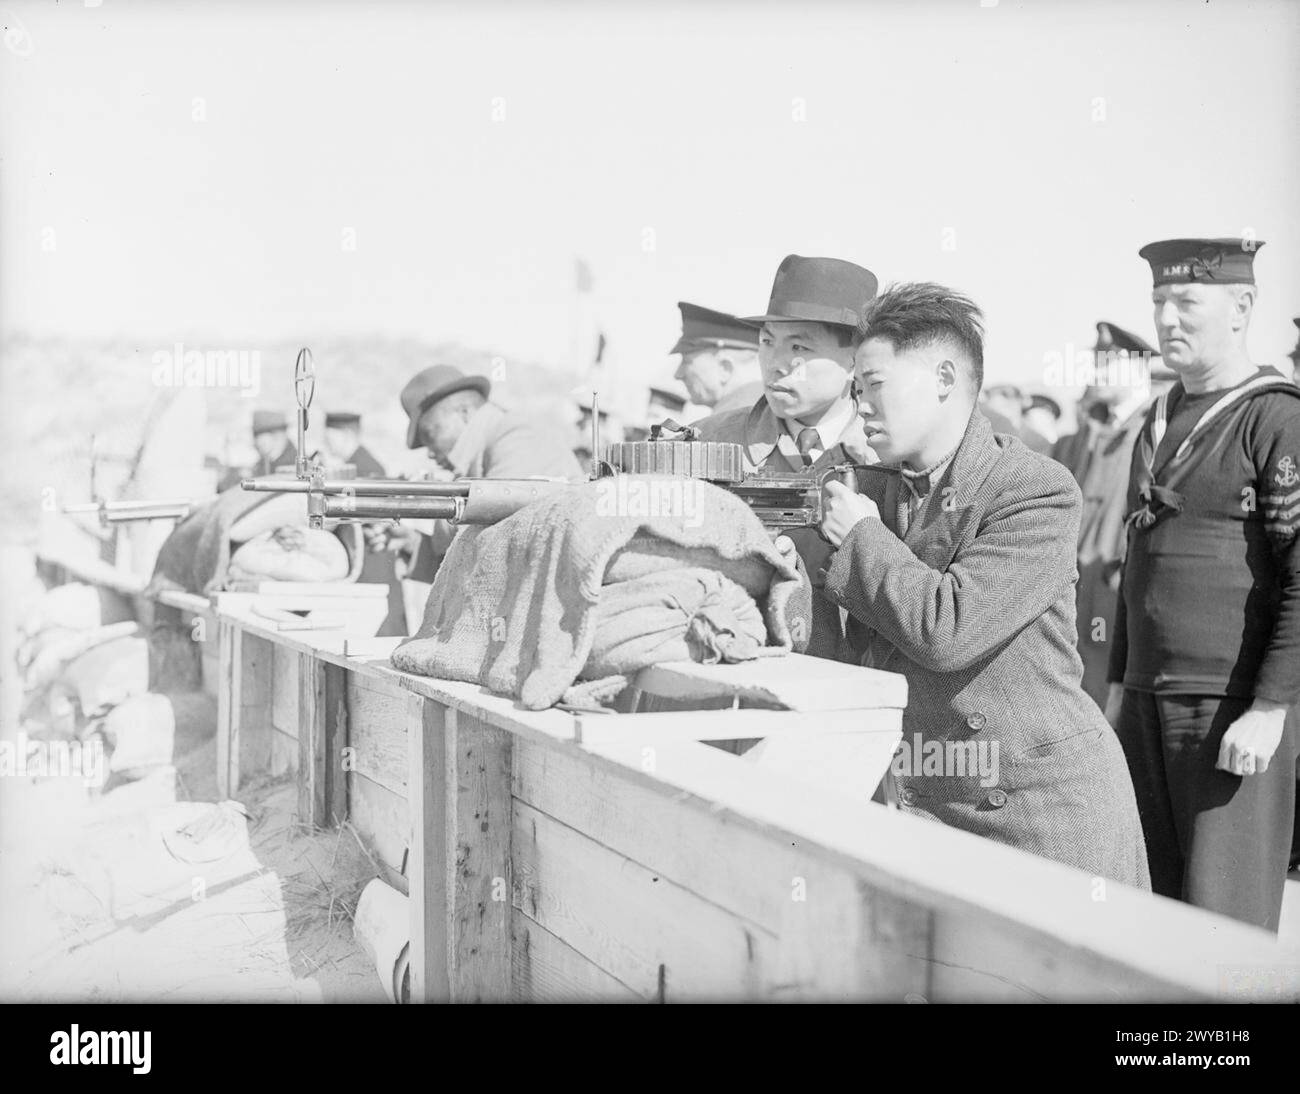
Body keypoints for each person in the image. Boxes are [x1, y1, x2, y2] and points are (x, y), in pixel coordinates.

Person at [818, 281, 1149, 885]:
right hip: (931, 808)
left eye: (875, 385)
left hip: (1039, 814)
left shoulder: (1034, 489)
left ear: (944, 378)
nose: (861, 406)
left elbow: (948, 630)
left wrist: (861, 536)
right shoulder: (875, 487)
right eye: (856, 389)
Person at [1106, 237, 1299, 931]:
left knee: (1224, 926)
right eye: (1159, 301)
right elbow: (1136, 554)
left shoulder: (1276, 417)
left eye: (1187, 302)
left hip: (1228, 707)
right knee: (1149, 916)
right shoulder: (1158, 418)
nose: (1167, 319)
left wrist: (1271, 706)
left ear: (1242, 307)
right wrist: (1119, 686)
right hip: (1146, 701)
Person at [692, 253, 879, 659]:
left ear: (855, 359)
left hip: (862, 682)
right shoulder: (706, 443)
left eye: (798, 346)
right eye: (766, 342)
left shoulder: (886, 455)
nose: (776, 364)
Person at [1053, 323, 1177, 707]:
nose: (1097, 372)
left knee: (1112, 700)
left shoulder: (1160, 429)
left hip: (1120, 589)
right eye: (1096, 363)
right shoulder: (1087, 432)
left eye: (1107, 363)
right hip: (1077, 588)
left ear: (1137, 367)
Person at [376, 365, 583, 587]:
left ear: (464, 412)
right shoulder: (485, 454)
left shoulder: (517, 435)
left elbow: (488, 541)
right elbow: (473, 567)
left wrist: (434, 506)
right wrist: (414, 544)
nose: (429, 452)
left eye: (430, 434)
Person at [670, 302, 764, 416]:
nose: (678, 375)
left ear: (725, 368)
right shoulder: (765, 411)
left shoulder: (731, 420)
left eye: (686, 362)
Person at [218, 409, 297, 491]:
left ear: (277, 435)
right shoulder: (264, 463)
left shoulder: (294, 466)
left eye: (258, 435)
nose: (256, 442)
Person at [321, 411, 386, 478]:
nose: (325, 442)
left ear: (347, 434)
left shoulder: (368, 470)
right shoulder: (354, 464)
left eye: (329, 438)